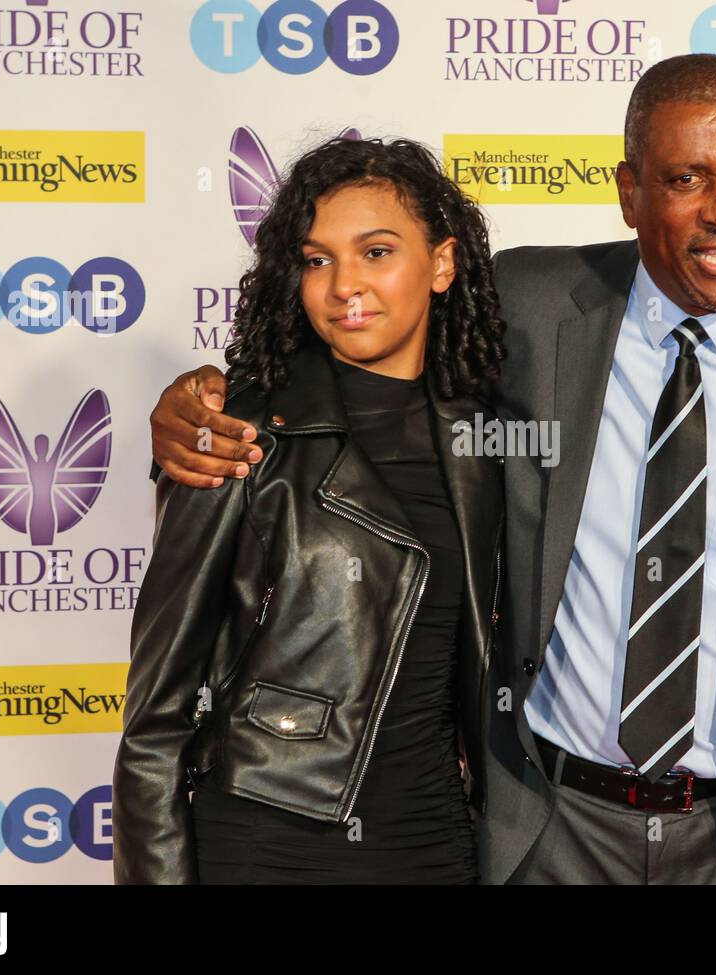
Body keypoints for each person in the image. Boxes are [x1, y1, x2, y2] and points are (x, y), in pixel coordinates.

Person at [147, 54, 716, 884]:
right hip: (546, 835)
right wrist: (206, 406)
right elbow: (361, 366)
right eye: (686, 178)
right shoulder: (528, 305)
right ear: (630, 191)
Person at [113, 135, 507, 884]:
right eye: (317, 259)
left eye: (377, 252)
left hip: (435, 845)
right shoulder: (238, 435)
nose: (343, 284)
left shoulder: (485, 437)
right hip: (268, 847)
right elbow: (154, 723)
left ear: (443, 264)